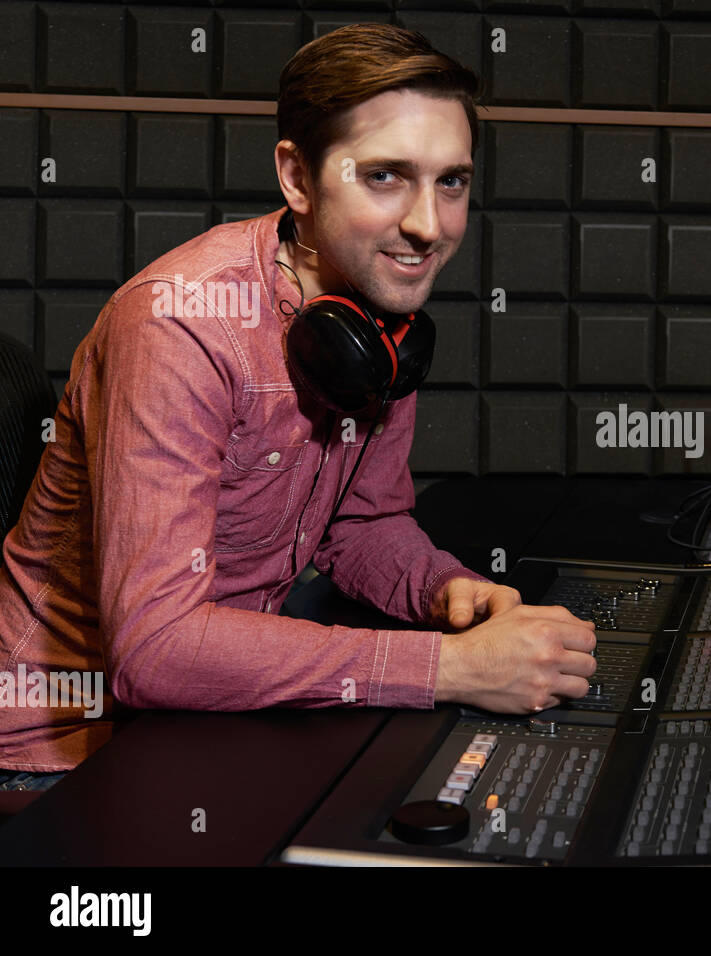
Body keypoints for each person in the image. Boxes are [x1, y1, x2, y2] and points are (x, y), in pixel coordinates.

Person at [0, 23, 596, 786]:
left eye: (452, 181)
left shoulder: (378, 321)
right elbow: (157, 650)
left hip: (208, 714)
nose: (429, 225)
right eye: (385, 177)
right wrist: (449, 666)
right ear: (297, 177)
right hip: (62, 753)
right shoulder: (180, 326)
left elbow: (362, 524)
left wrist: (445, 589)